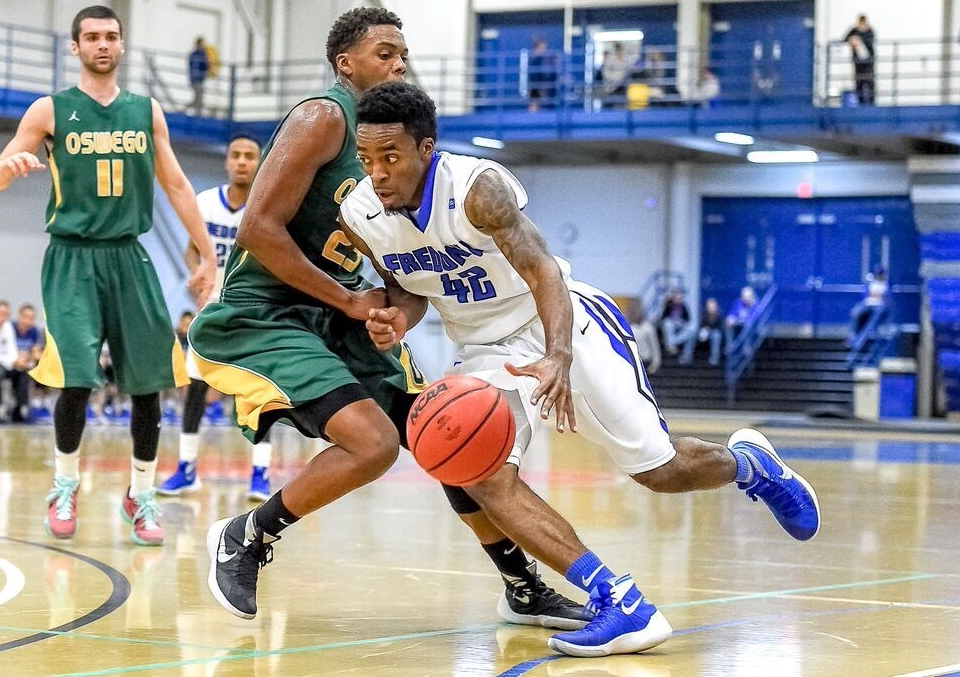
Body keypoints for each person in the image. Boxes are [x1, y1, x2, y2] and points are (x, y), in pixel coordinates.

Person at [341, 81, 820, 657]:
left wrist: (558, 356)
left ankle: (750, 466)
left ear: (426, 147)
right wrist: (399, 319)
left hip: (559, 320)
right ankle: (618, 601)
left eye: (390, 158)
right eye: (368, 160)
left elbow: (543, 272)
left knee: (658, 469)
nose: (378, 173)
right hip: (485, 350)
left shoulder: (476, 190)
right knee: (482, 475)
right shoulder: (363, 212)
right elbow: (409, 286)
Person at [194, 8, 583, 630]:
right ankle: (247, 535)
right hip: (268, 312)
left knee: (449, 434)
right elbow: (258, 231)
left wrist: (391, 313)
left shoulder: (396, 146)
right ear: (345, 62)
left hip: (341, 309)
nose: (399, 62)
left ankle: (522, 584)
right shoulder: (324, 118)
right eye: (385, 52)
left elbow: (404, 274)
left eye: (402, 53)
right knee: (373, 444)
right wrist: (351, 300)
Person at [0, 5, 219, 547]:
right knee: (75, 375)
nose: (103, 44)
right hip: (72, 257)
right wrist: (8, 169)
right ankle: (65, 484)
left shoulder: (146, 111)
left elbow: (179, 185)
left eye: (111, 36)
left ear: (121, 44)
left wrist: (206, 255)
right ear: (75, 48)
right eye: (91, 37)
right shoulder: (50, 110)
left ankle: (140, 494)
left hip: (129, 256)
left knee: (147, 381)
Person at [158, 134, 273, 501]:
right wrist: (198, 275)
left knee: (260, 392)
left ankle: (261, 472)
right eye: (236, 155)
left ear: (260, 162)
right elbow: (191, 252)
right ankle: (187, 469)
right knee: (194, 386)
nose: (242, 161)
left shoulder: (269, 203)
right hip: (213, 305)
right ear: (226, 161)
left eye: (250, 156)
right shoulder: (205, 203)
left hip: (255, 308)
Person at [9, 303, 43, 422]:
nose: (28, 321)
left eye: (32, 318)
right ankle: (19, 407)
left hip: (25, 366)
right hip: (9, 364)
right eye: (26, 317)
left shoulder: (34, 331)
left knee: (26, 373)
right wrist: (17, 358)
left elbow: (36, 353)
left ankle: (22, 407)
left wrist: (27, 357)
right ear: (20, 316)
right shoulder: (10, 328)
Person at [848, 265, 890, 345]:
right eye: (877, 273)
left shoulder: (886, 285)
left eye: (880, 274)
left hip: (879, 305)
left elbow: (886, 298)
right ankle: (853, 335)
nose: (878, 275)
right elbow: (865, 296)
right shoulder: (870, 283)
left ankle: (865, 336)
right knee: (854, 312)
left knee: (874, 316)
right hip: (868, 304)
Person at [846, 15, 876, 105]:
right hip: (858, 63)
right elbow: (845, 38)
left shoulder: (869, 31)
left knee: (870, 82)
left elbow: (870, 41)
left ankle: (871, 102)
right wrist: (852, 40)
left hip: (868, 62)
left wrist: (859, 40)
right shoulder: (854, 31)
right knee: (859, 82)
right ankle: (860, 102)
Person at [685, 297, 724, 366]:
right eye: (709, 307)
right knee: (692, 334)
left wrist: (710, 329)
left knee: (716, 335)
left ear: (716, 307)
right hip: (704, 333)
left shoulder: (719, 316)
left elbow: (720, 329)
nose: (711, 309)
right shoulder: (704, 314)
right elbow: (701, 326)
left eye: (713, 307)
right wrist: (704, 330)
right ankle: (687, 357)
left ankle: (714, 359)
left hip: (714, 334)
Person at [659, 289, 693, 357]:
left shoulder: (683, 306)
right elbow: (663, 317)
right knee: (667, 323)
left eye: (680, 298)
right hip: (671, 324)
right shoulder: (668, 305)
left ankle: (671, 343)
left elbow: (688, 318)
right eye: (677, 298)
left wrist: (681, 321)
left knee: (691, 331)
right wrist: (672, 320)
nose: (679, 299)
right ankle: (671, 346)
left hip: (680, 325)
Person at [527, 37, 558, 112]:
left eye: (544, 47)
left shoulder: (548, 60)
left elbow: (550, 75)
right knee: (534, 102)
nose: (543, 50)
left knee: (548, 104)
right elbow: (533, 76)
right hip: (536, 86)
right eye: (541, 47)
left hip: (547, 87)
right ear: (536, 48)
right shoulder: (534, 61)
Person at [599, 42, 628, 108]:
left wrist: (619, 77)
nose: (619, 51)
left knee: (621, 108)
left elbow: (625, 73)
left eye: (620, 49)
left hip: (621, 88)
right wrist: (615, 77)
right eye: (617, 49)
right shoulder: (609, 59)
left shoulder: (625, 60)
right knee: (608, 107)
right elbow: (605, 72)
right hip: (610, 87)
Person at [188, 37, 210, 115]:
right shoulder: (196, 55)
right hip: (195, 79)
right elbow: (192, 67)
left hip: (199, 79)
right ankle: (197, 114)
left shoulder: (202, 55)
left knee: (198, 97)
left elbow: (206, 66)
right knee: (198, 97)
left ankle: (191, 110)